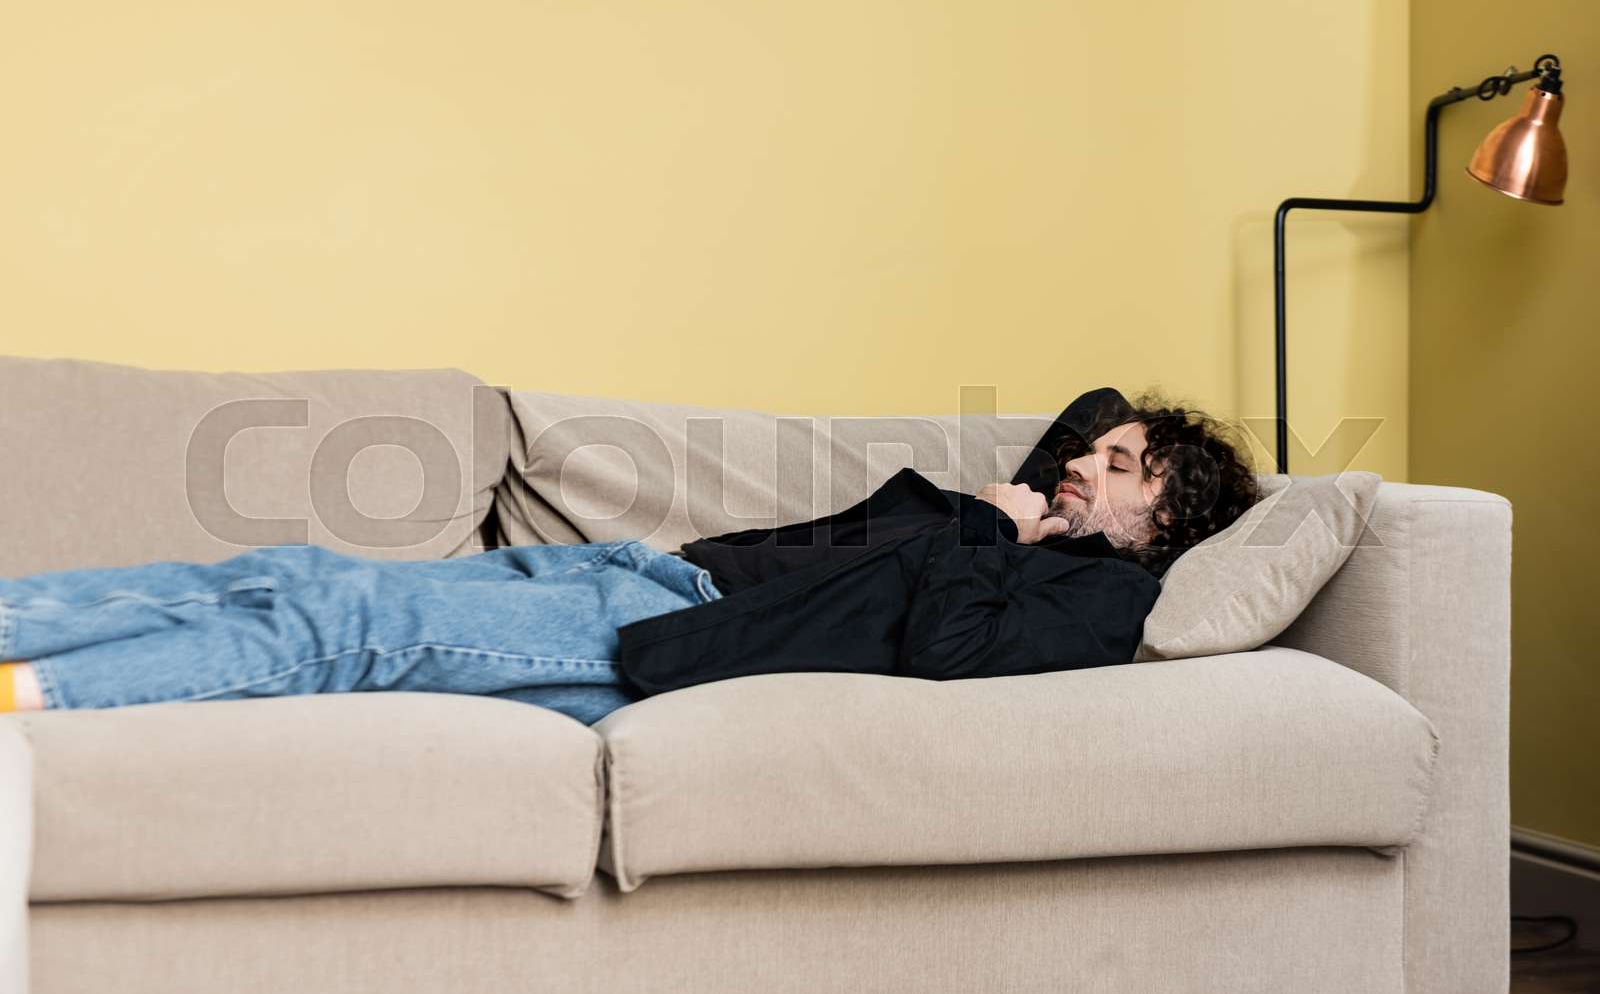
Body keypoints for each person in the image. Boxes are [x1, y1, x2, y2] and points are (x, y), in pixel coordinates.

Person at [0, 387, 1260, 726]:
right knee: (290, 576)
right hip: (639, 573)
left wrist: (988, 525)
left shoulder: (1094, 599)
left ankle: (30, 696)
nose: (1082, 463)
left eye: (1121, 467)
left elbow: (951, 653)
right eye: (1091, 454)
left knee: (340, 630)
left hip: (659, 642)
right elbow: (1091, 409)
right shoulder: (1046, 525)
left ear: (1167, 523)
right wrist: (1049, 494)